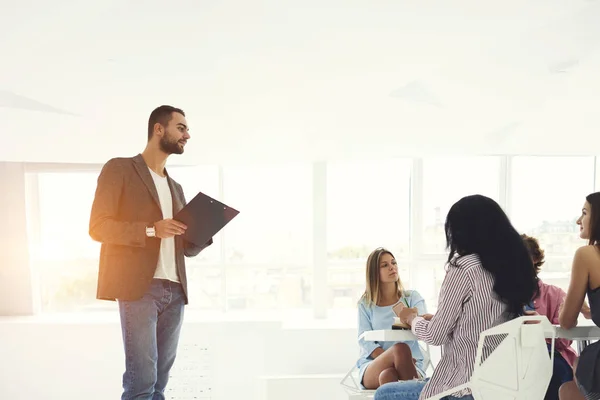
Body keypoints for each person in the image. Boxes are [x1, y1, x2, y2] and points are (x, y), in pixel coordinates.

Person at [89, 105, 213, 400]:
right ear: (159, 129)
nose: (187, 135)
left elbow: (186, 248)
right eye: (181, 128)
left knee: (159, 383)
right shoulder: (120, 169)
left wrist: (204, 231)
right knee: (141, 381)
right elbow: (98, 227)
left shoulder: (176, 187)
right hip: (140, 288)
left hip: (176, 291)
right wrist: (150, 230)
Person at [375, 194, 539, 400]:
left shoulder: (464, 268)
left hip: (462, 387)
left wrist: (411, 319)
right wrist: (439, 319)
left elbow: (435, 336)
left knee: (383, 394)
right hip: (501, 387)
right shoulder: (511, 267)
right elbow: (483, 320)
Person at [357, 247, 428, 390]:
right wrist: (394, 359)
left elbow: (423, 326)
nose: (392, 267)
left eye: (393, 263)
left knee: (388, 376)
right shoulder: (365, 304)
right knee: (400, 350)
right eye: (385, 265)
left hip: (412, 364)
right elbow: (364, 340)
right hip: (374, 363)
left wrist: (402, 362)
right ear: (374, 273)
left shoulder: (412, 298)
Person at [521, 234, 582, 400]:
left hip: (553, 363)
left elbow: (566, 340)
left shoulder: (556, 295)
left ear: (534, 258)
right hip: (516, 363)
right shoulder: (501, 298)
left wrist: (543, 327)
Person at [559, 192, 600, 400]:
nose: (578, 220)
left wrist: (567, 306)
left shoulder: (587, 255)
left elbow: (566, 322)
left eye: (584, 213)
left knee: (571, 378)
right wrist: (591, 311)